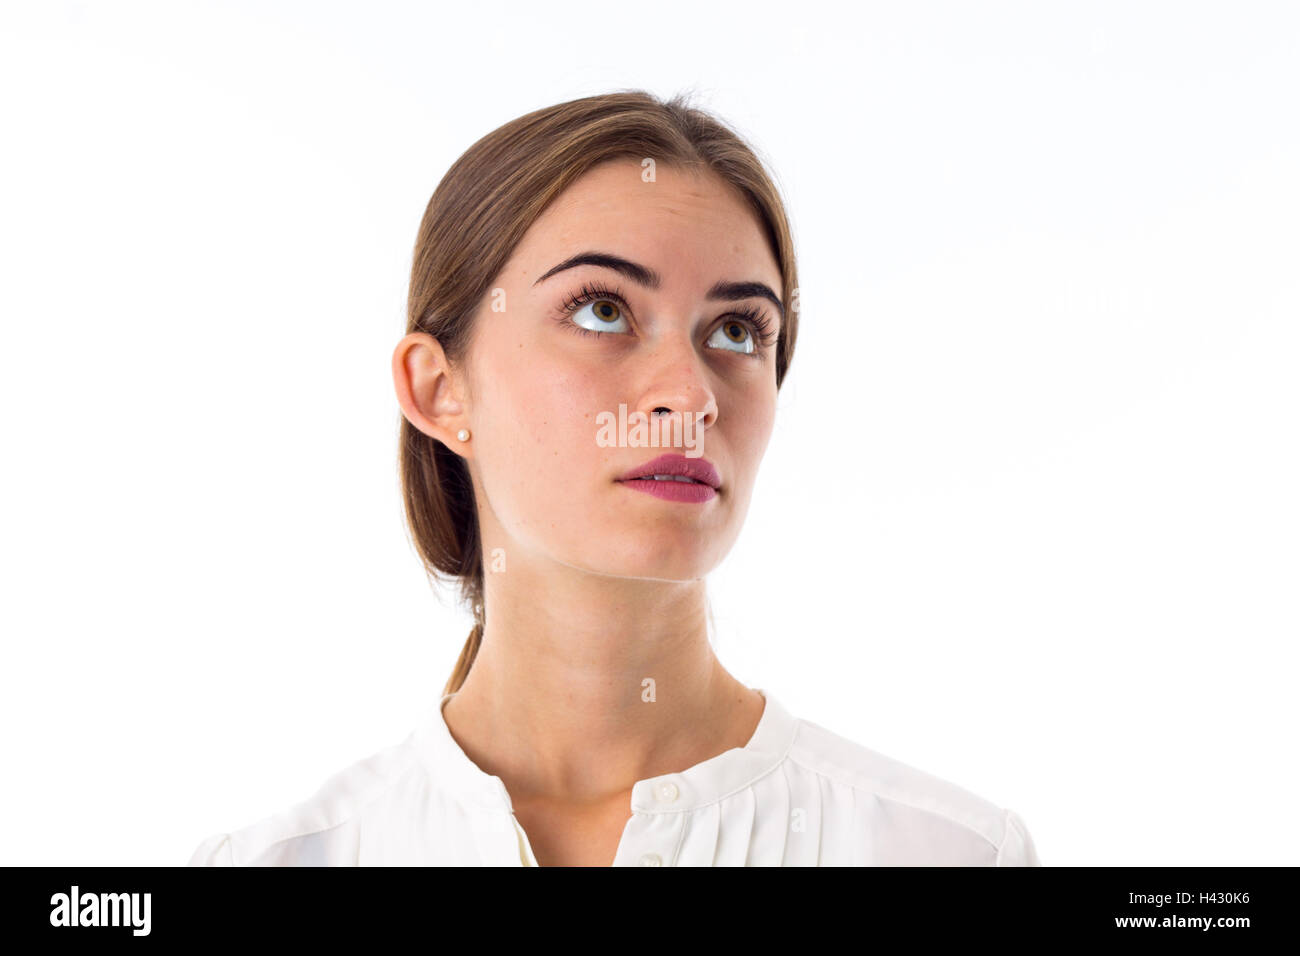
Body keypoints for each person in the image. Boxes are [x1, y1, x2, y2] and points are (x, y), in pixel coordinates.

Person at [188, 89, 1041, 866]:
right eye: (603, 310)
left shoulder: (953, 854)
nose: (689, 396)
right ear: (440, 389)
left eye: (740, 329)